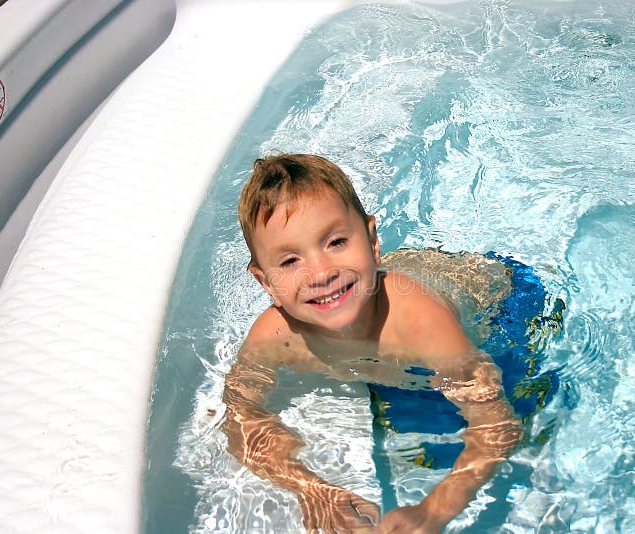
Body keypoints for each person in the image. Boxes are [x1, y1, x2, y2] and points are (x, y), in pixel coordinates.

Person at [222, 153, 524, 533]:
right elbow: (240, 415)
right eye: (290, 261)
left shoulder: (420, 322)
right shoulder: (277, 335)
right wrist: (310, 489)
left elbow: (497, 425)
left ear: (372, 241)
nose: (322, 272)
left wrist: (434, 510)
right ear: (266, 283)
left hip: (504, 303)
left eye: (336, 242)